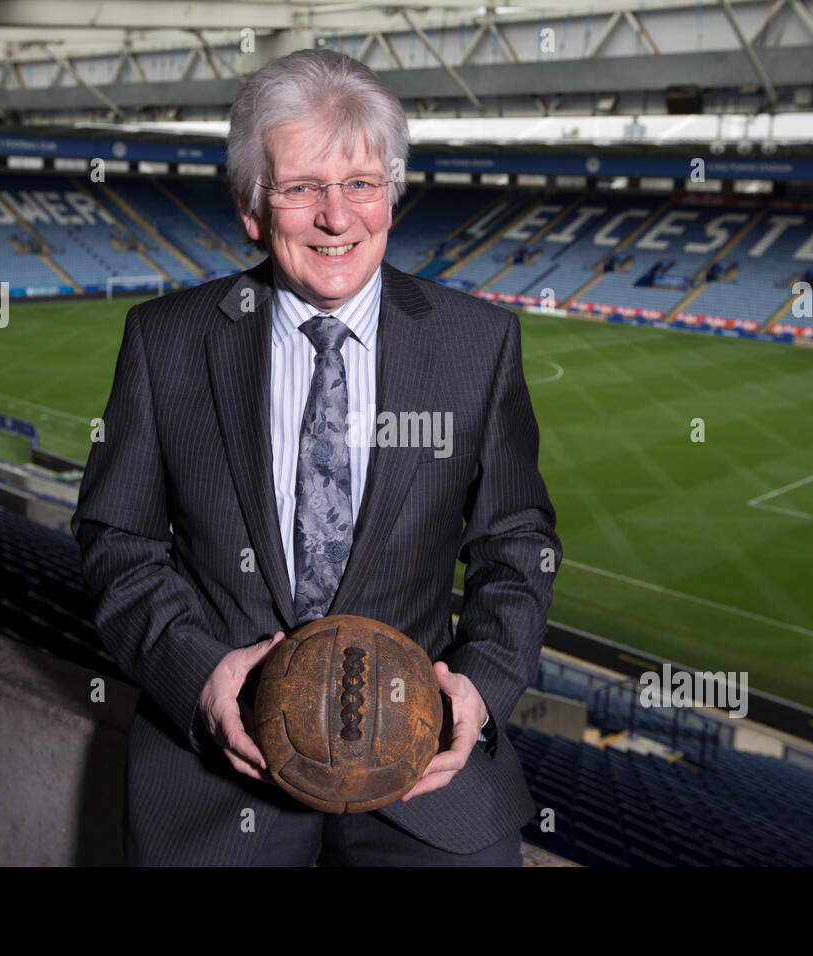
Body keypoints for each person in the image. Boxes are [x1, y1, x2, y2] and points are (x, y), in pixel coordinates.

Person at [71, 48, 560, 866]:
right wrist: (201, 678)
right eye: (303, 188)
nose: (339, 217)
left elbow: (517, 541)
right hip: (218, 788)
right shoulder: (167, 340)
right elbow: (116, 539)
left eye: (362, 184)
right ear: (253, 209)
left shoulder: (479, 343)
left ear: (391, 197)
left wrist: (479, 686)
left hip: (423, 782)